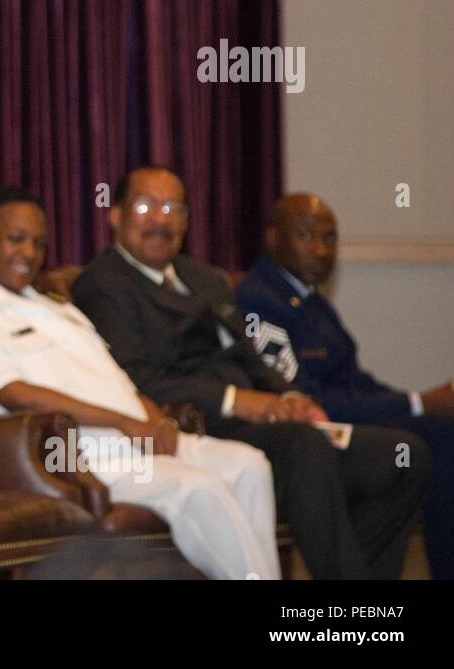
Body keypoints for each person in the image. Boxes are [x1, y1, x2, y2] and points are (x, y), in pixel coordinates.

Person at [71, 166, 431, 579]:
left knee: (404, 459)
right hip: (199, 426)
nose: (160, 219)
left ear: (187, 222)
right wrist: (238, 402)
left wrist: (292, 398)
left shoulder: (206, 279)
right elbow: (136, 379)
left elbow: (252, 359)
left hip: (263, 421)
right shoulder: (103, 284)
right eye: (145, 205)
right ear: (115, 215)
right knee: (303, 448)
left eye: (172, 208)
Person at [0, 187, 281, 580]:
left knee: (249, 465)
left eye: (38, 242)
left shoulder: (58, 307)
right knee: (198, 488)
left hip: (138, 440)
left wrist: (156, 420)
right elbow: (13, 393)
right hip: (78, 457)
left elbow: (116, 378)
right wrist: (122, 423)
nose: (29, 252)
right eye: (16, 239)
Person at [236, 192, 454, 578]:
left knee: (437, 434)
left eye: (330, 238)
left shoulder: (313, 302)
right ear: (273, 238)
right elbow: (306, 399)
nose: (320, 250)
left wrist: (415, 402)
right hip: (304, 435)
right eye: (306, 236)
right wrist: (418, 403)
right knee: (434, 443)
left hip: (341, 425)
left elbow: (356, 382)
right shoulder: (259, 301)